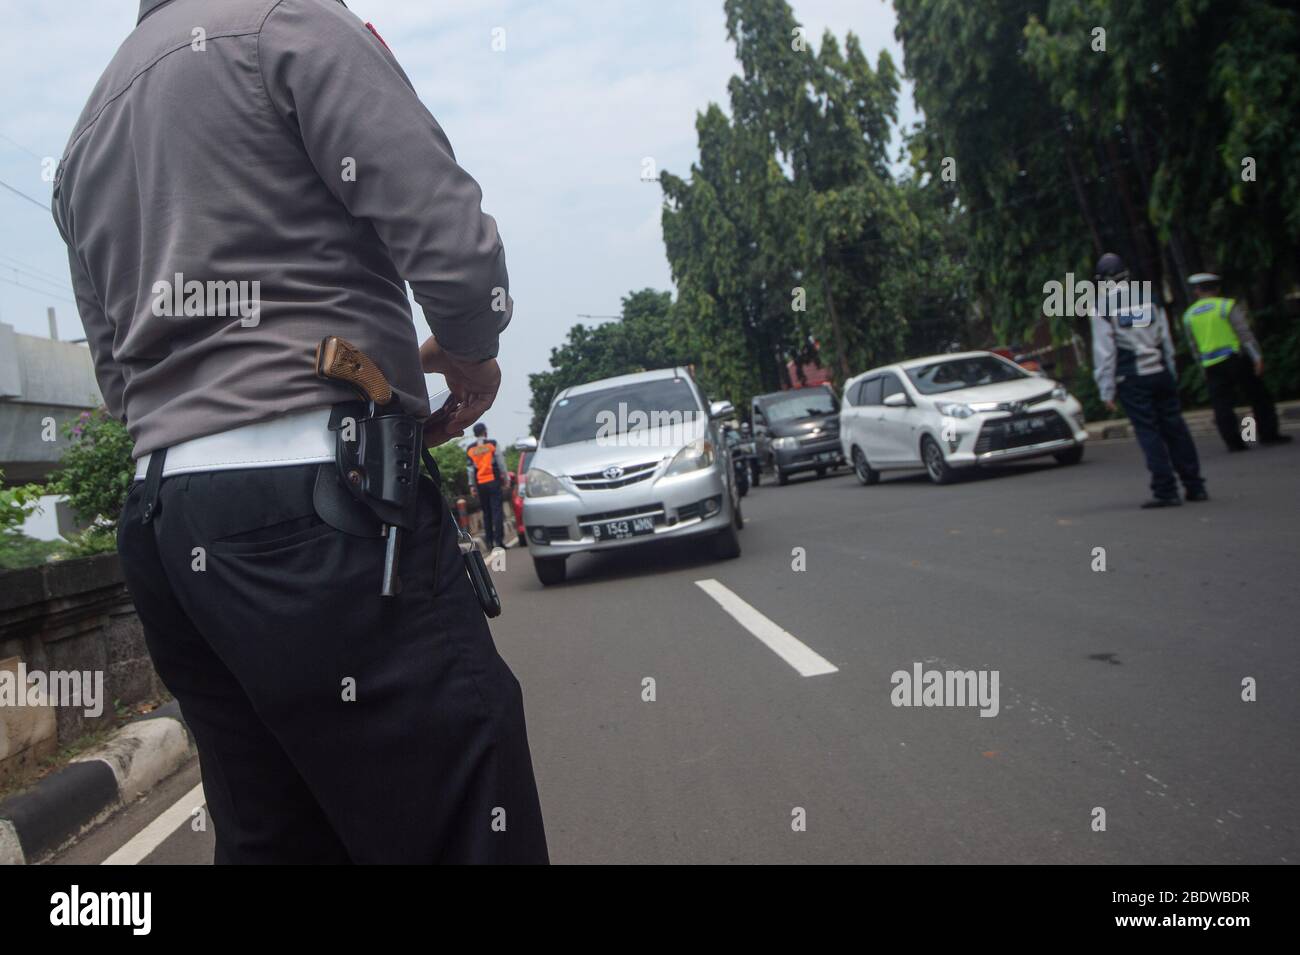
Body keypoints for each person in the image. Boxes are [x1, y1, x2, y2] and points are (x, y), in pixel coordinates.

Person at [51, 0, 547, 863]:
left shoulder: (87, 131)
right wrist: (470, 353)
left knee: (274, 833)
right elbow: (456, 250)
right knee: (466, 809)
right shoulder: (285, 24)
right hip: (322, 508)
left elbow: (120, 378)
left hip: (170, 532)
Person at [1090, 253, 1207, 508]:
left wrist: (1106, 390)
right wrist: (1171, 373)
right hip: (1161, 374)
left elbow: (1105, 353)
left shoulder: (1101, 307)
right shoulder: (1148, 298)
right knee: (1176, 429)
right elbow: (1165, 341)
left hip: (1132, 379)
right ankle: (1195, 486)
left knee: (1149, 433)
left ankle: (1166, 491)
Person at [1182, 273, 1291, 450]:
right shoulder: (1225, 306)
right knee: (1258, 396)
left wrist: (1202, 368)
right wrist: (1257, 358)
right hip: (1235, 359)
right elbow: (1244, 334)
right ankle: (1269, 434)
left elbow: (1193, 346)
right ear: (1216, 289)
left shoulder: (1189, 315)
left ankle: (1233, 442)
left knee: (1221, 405)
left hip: (1211, 364)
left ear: (1196, 291)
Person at [466, 422, 508, 552]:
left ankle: (489, 542)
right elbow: (501, 463)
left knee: (486, 513)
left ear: (474, 434)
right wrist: (506, 479)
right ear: (485, 432)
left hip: (480, 484)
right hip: (493, 481)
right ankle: (499, 541)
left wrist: (472, 486)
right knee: (497, 511)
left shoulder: (470, 449)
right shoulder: (492, 444)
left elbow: (470, 470)